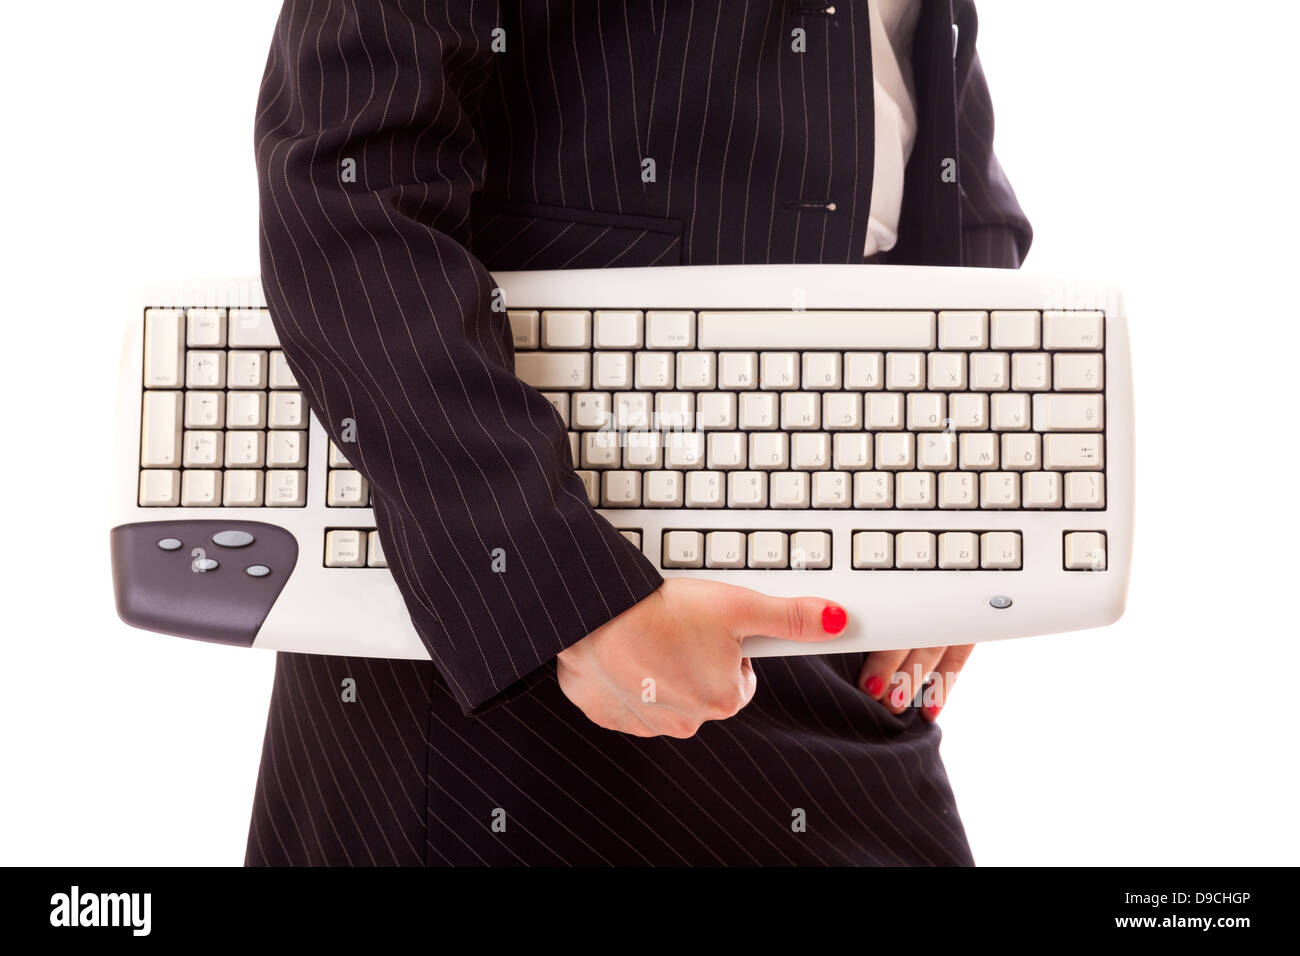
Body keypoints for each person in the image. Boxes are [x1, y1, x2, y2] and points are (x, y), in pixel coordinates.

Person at [246, 0, 1031, 866]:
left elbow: (924, 108)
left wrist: (960, 487)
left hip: (829, 576)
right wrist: (560, 594)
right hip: (527, 608)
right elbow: (350, 176)